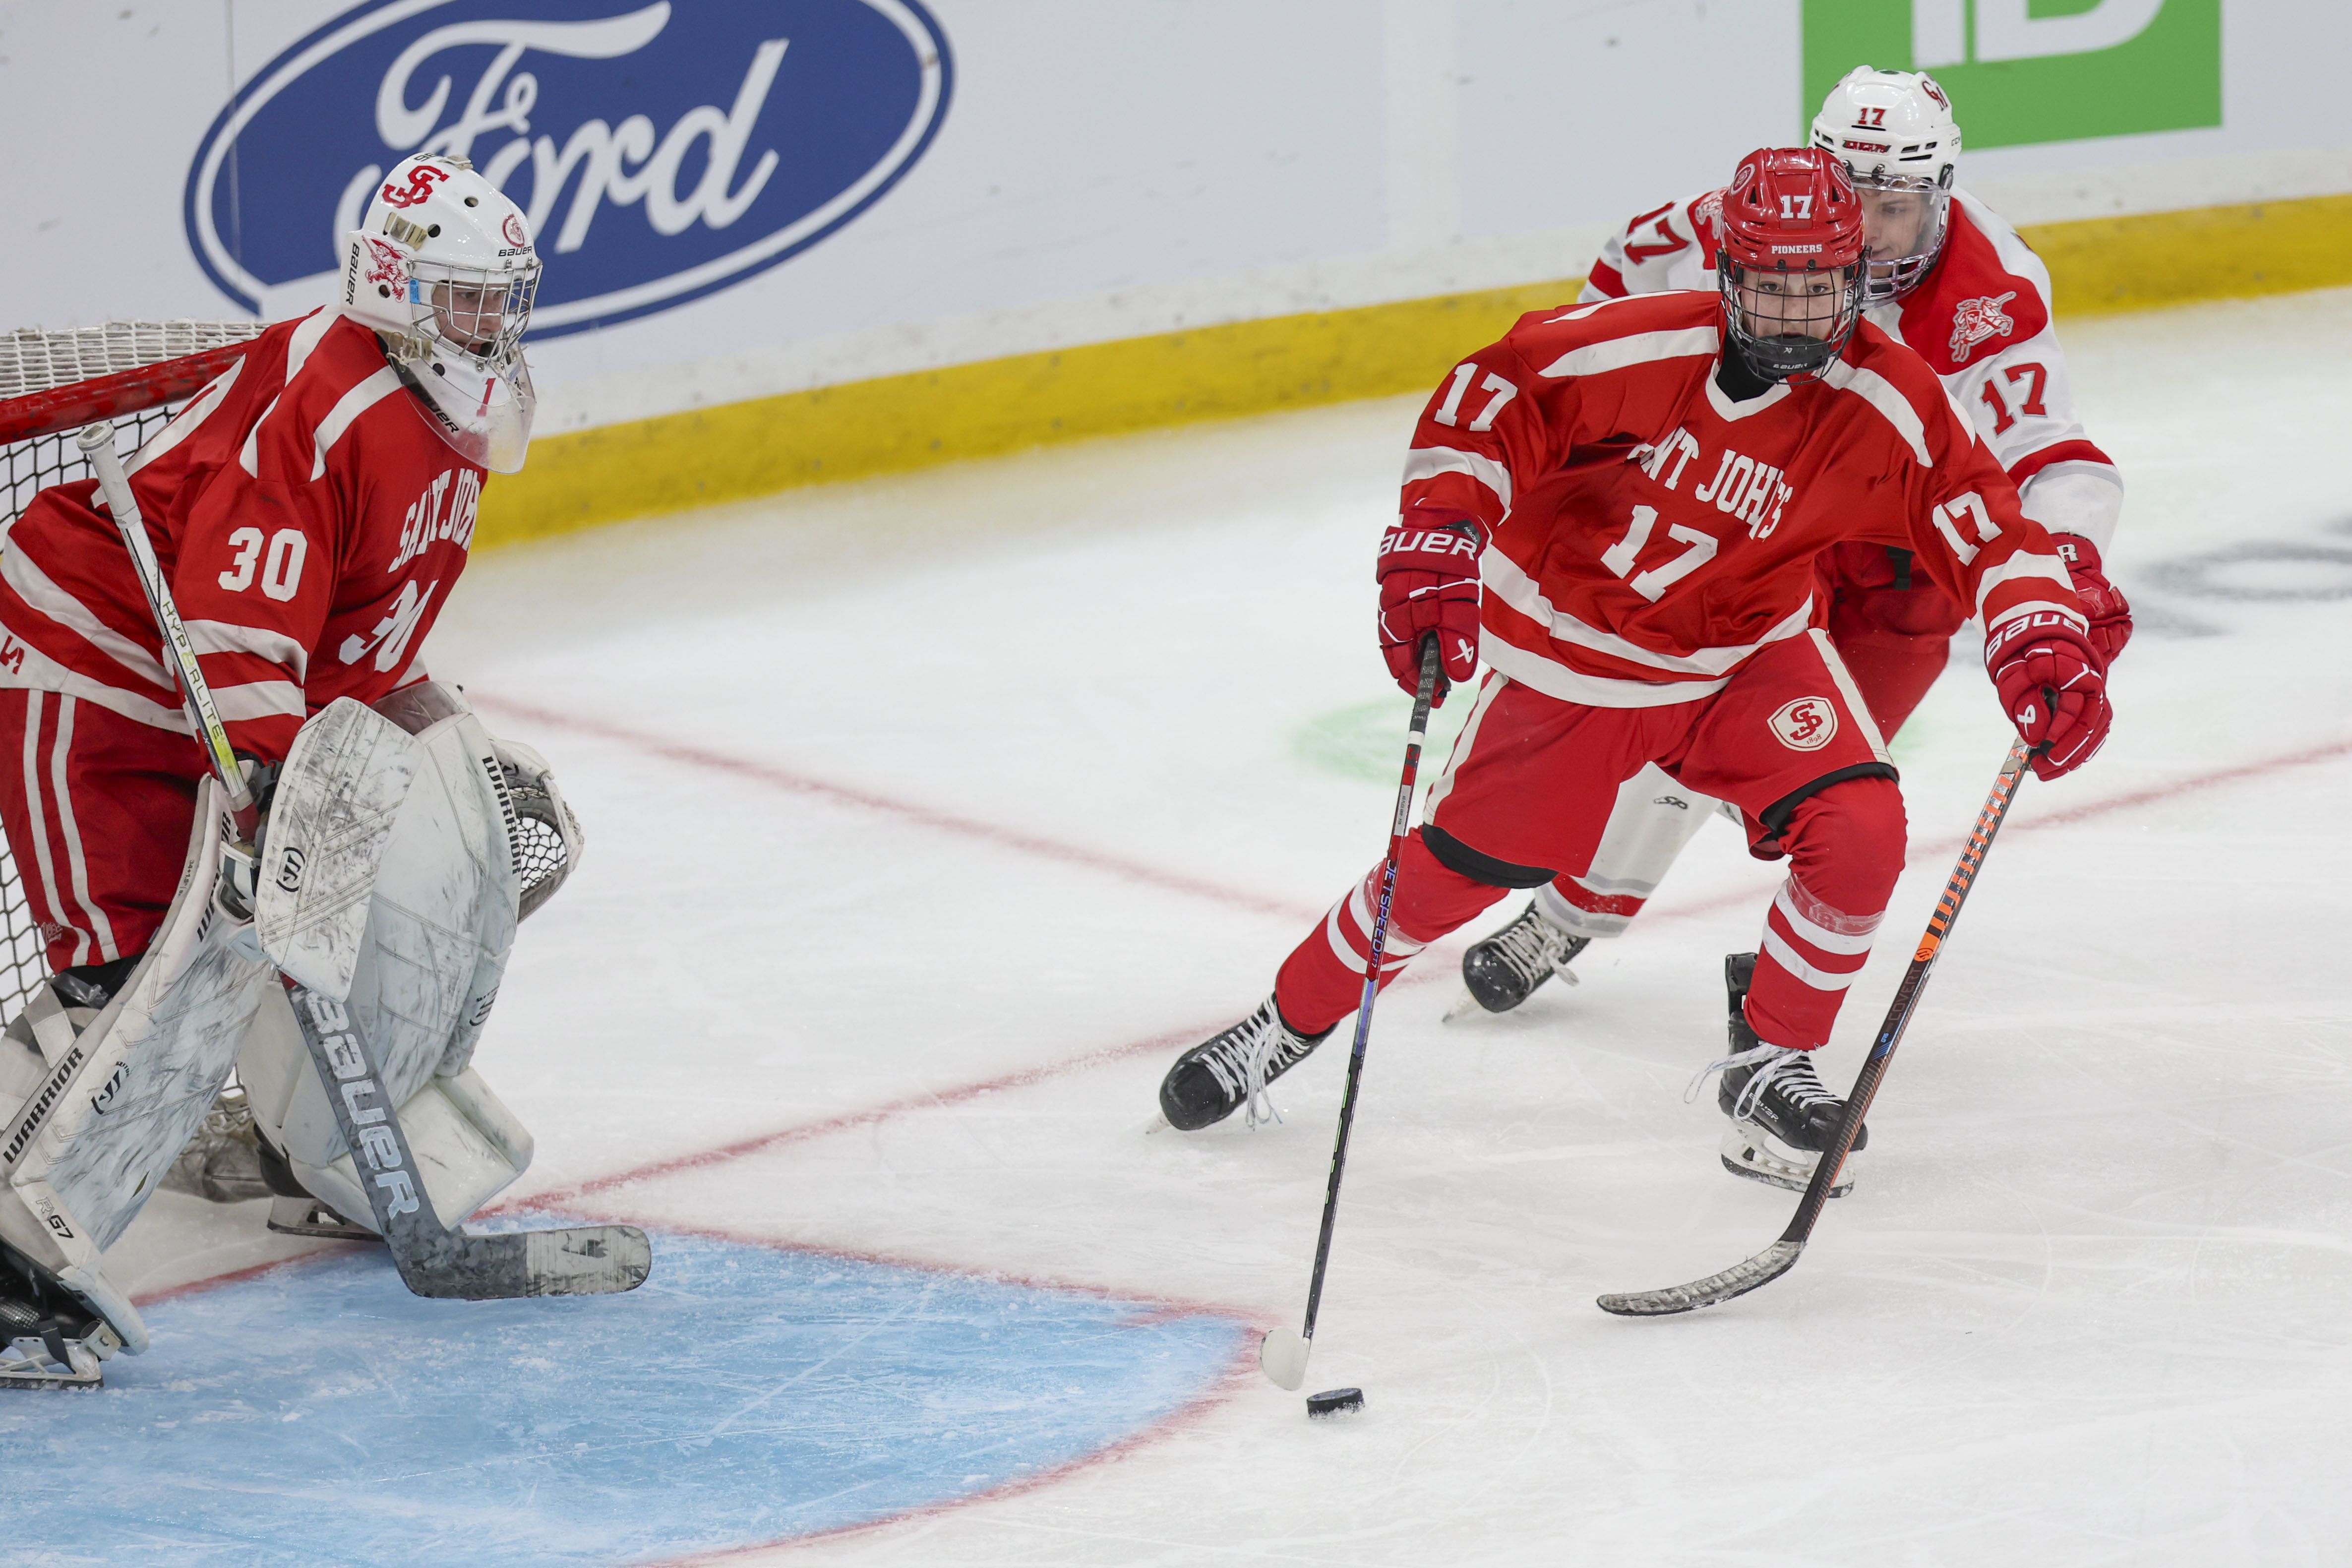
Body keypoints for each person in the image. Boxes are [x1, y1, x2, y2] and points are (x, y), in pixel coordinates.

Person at [1155, 147, 2122, 1201]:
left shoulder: (1890, 402)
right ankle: (1283, 1022)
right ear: (1724, 276)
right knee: (1449, 879)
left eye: (1819, 290)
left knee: (1858, 829)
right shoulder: (1630, 349)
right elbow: (1485, 400)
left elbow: (1983, 521)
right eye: (1769, 287)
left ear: (1853, 281)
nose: (1797, 317)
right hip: (1578, 665)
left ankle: (1768, 1067)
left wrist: (2039, 626)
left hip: (1749, 655)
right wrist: (1438, 534)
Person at [0, 155, 569, 1385]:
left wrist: (425, 745)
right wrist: (267, 786)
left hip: (196, 691)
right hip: (92, 671)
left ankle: (302, 1146)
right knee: (131, 969)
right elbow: (237, 622)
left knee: (276, 928)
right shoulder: (330, 396)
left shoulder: (449, 413)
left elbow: (351, 627)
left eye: (504, 300)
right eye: (469, 300)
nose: (495, 328)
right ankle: (6, 1267)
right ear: (393, 286)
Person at [1456, 66, 2132, 1020]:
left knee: (1828, 782)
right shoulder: (1736, 225)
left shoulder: (1993, 289)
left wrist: (2066, 569)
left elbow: (2045, 452)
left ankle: (1776, 994)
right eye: (1852, 200)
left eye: (1897, 208)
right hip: (1775, 523)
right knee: (1684, 721)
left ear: (1942, 189)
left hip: (1909, 570)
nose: (1875, 233)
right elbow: (1613, 287)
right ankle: (1570, 915)